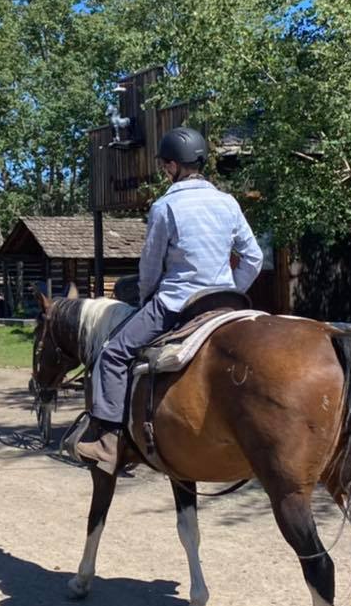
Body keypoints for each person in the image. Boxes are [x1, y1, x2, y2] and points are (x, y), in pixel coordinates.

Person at [74, 126, 263, 472]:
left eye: (165, 165)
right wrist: (236, 289)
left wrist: (147, 299)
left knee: (112, 354)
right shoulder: (228, 202)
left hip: (178, 303)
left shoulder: (165, 206)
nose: (164, 170)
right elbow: (253, 258)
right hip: (225, 302)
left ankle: (108, 441)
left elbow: (150, 265)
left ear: (172, 166)